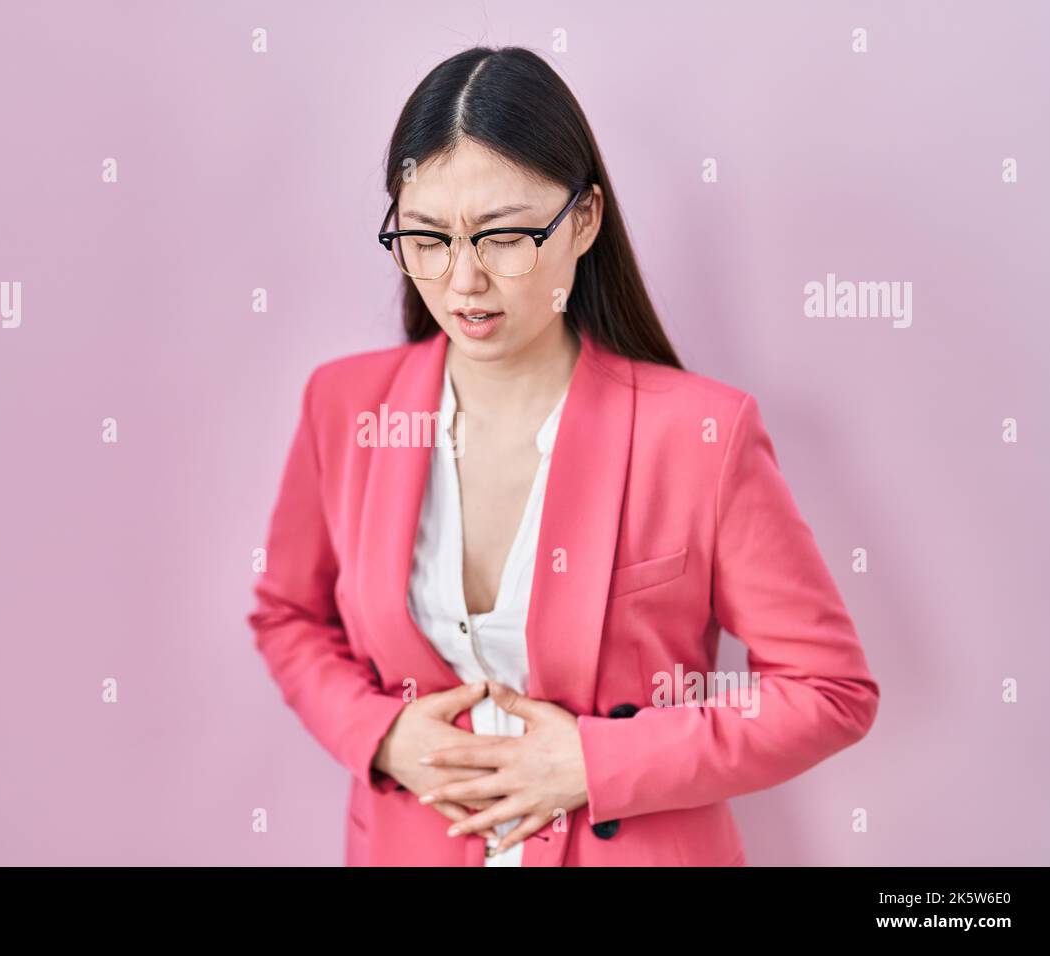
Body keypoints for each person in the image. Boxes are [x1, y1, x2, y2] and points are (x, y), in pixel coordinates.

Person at [248, 45, 879, 867]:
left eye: (505, 237)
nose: (464, 282)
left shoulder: (701, 435)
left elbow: (829, 690)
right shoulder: (344, 407)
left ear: (583, 220)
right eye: (426, 238)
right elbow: (288, 615)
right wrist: (382, 732)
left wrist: (595, 762)